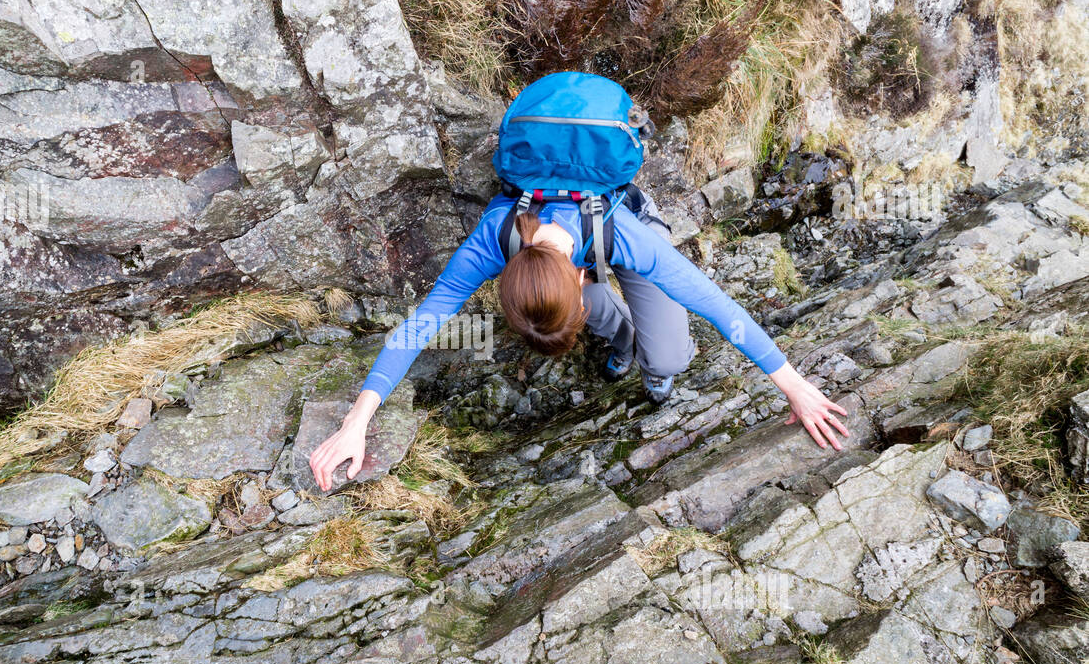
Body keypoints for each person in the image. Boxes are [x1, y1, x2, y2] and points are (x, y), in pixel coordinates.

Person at [308, 182, 850, 491]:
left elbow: (718, 307)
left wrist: (795, 387)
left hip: (622, 218)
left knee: (669, 355)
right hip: (578, 268)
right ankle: (620, 344)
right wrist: (356, 423)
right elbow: (419, 326)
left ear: (581, 274)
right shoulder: (491, 241)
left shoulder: (631, 239)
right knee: (602, 321)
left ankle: (652, 366)